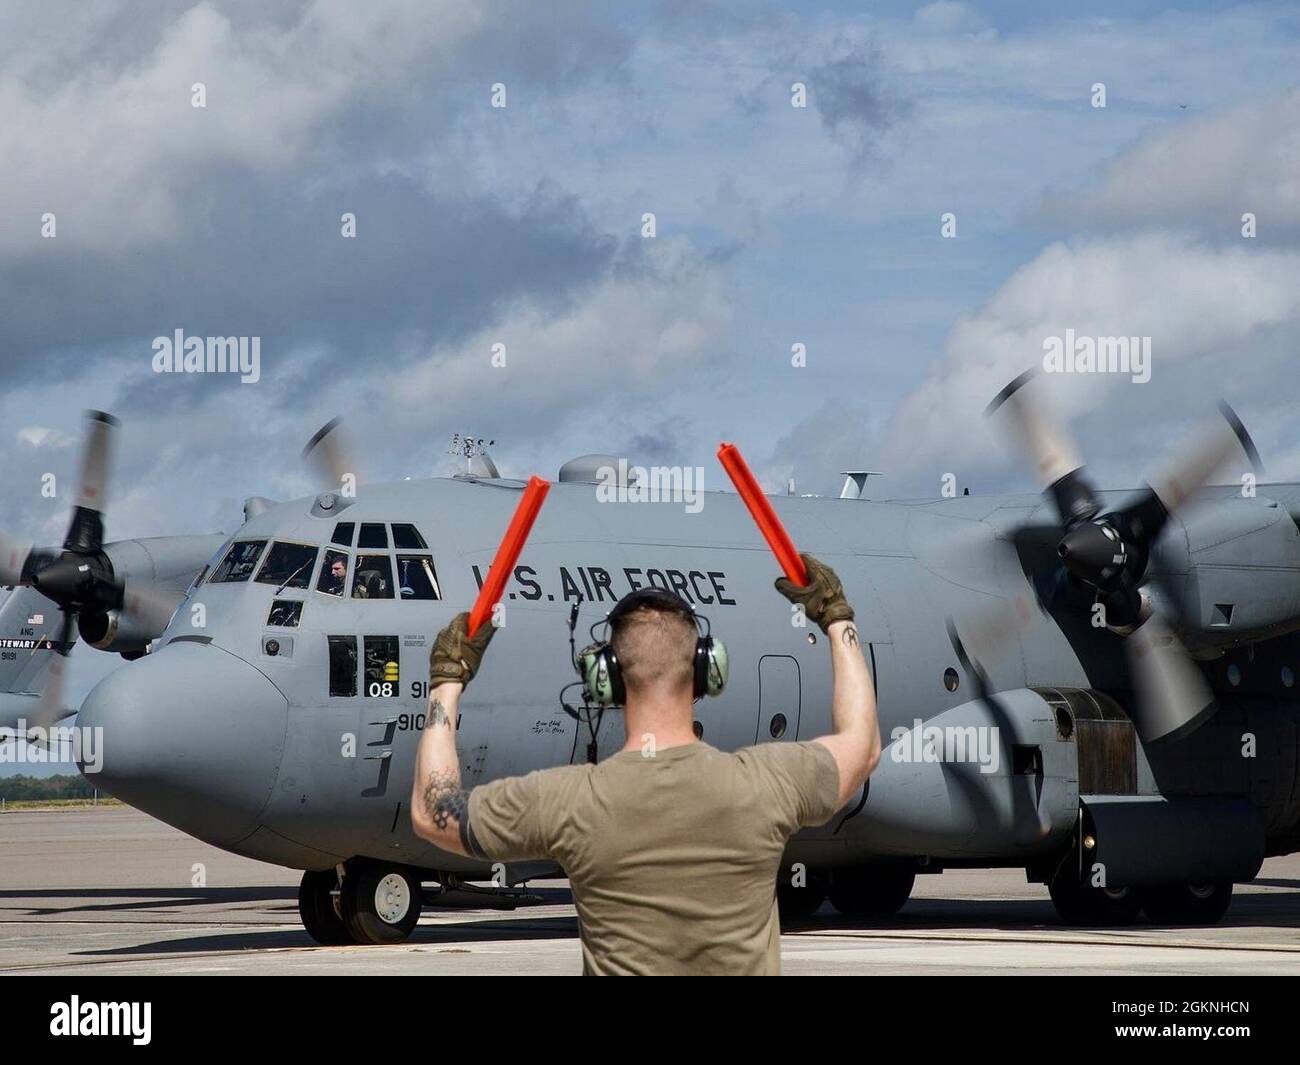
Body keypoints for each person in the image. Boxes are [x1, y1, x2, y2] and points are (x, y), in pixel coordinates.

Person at [410, 553, 880, 975]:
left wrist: (446, 683)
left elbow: (434, 811)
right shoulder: (765, 783)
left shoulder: (571, 801)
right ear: (705, 672)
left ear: (606, 679)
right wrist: (838, 620)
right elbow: (862, 745)